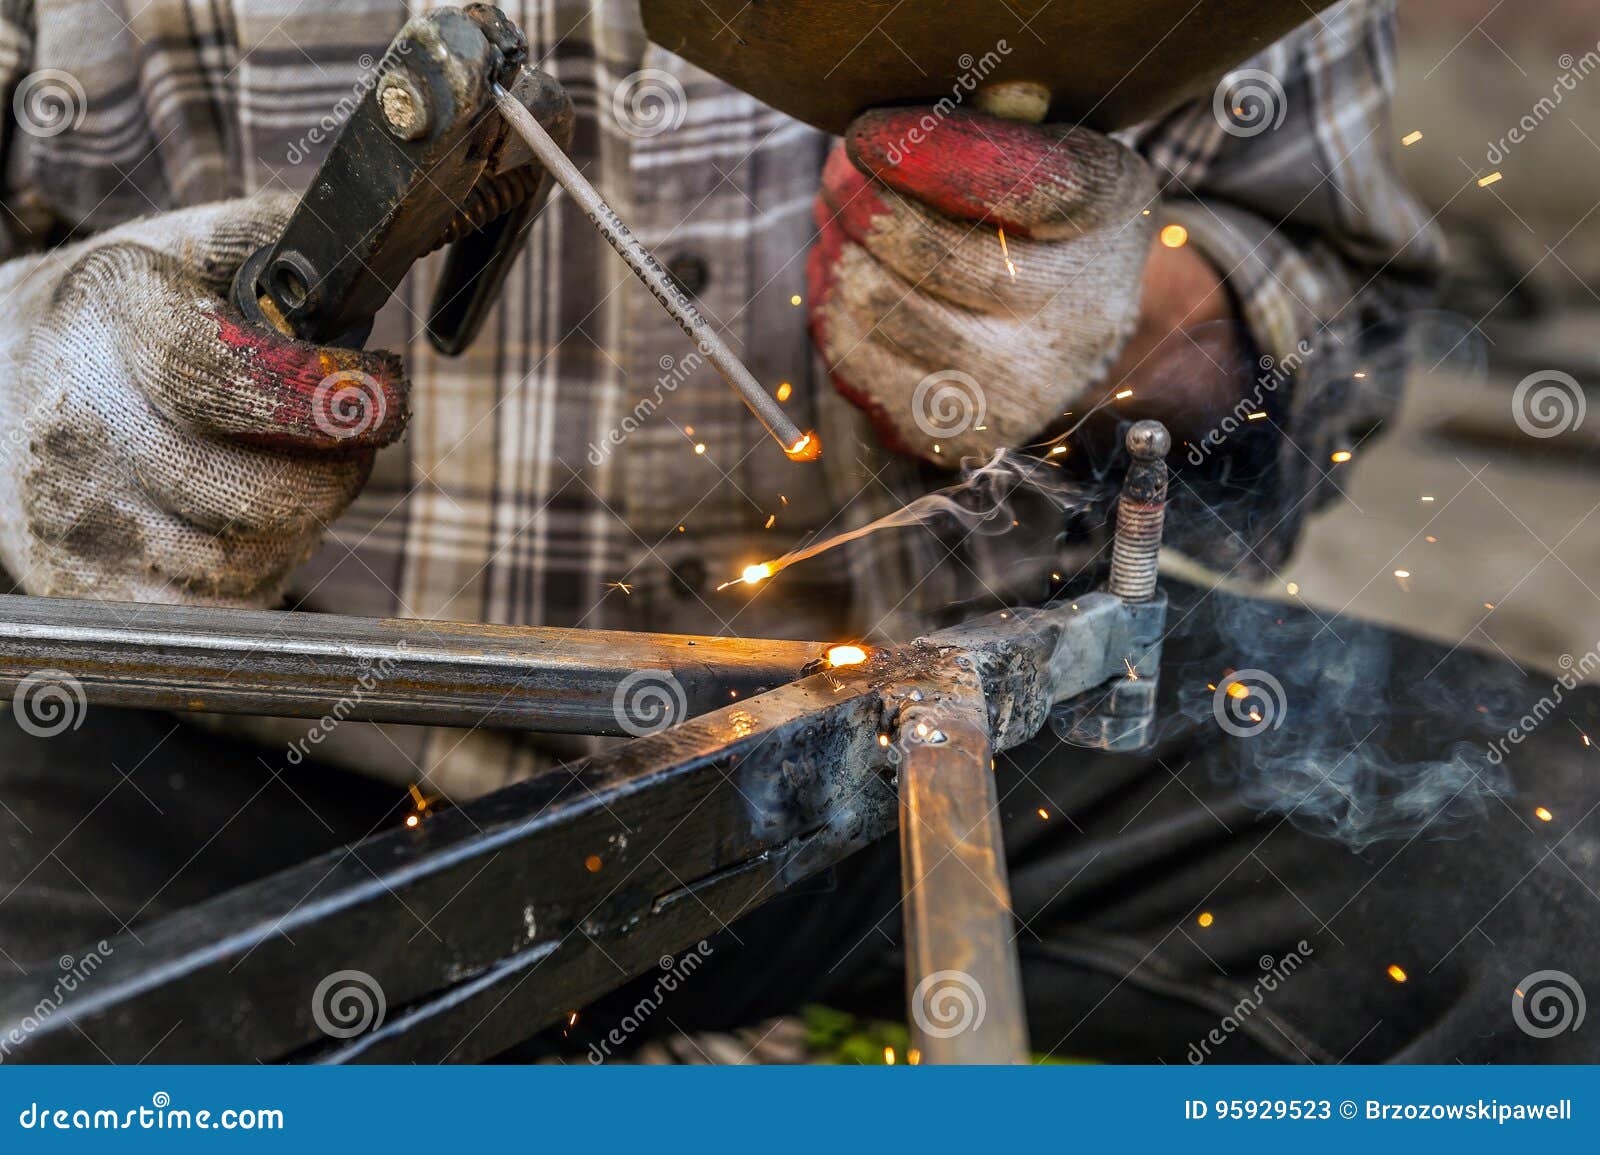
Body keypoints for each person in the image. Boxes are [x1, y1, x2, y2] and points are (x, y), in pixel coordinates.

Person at [0, 0, 1591, 1063]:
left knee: (1553, 884)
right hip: (212, 753)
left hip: (957, 723)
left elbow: (1321, 306)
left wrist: (1112, 336)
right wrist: (32, 380)